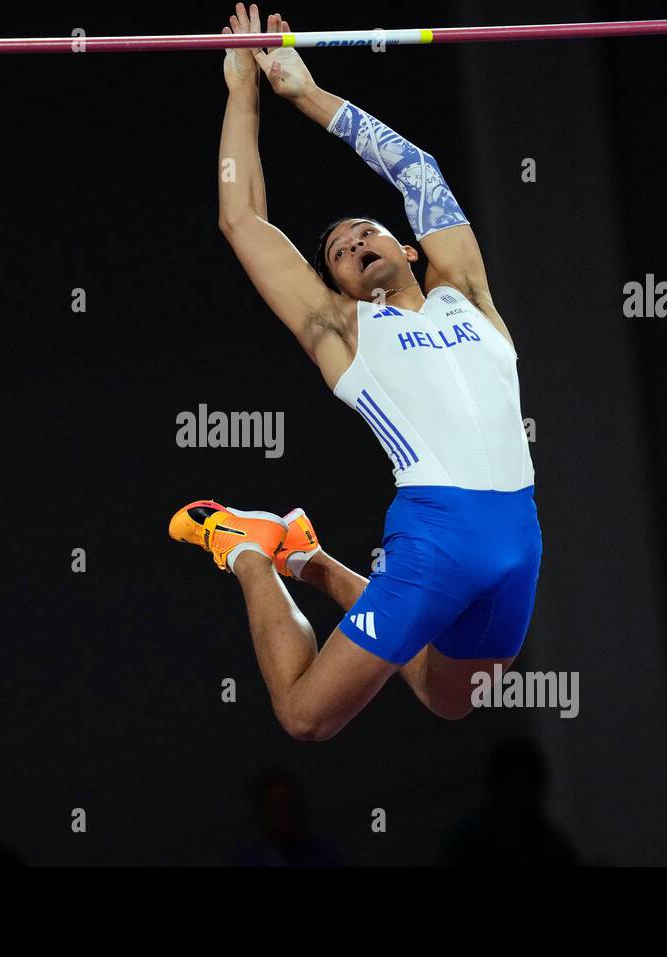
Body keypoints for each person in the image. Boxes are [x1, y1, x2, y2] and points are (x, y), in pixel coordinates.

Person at [169, 4, 541, 741]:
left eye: (367, 230)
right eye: (339, 249)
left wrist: (303, 91)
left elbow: (417, 169)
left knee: (448, 697)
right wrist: (243, 87)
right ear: (336, 287)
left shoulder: (465, 294)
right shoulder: (343, 330)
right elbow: (242, 221)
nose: (355, 241)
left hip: (520, 538)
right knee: (306, 718)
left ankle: (306, 557)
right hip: (435, 538)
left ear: (408, 248)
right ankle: (246, 547)